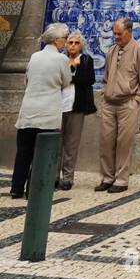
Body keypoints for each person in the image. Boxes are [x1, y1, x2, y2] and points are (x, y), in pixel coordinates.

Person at [10, 23, 71, 199]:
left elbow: (27, 80)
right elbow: (66, 81)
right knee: (41, 153)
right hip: (47, 114)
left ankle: (16, 188)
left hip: (28, 111)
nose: (65, 43)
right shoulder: (61, 59)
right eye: (65, 39)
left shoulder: (34, 56)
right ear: (58, 40)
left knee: (23, 151)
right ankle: (33, 190)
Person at [96, 16, 140, 193]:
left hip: (127, 104)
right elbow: (106, 77)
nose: (116, 37)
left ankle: (121, 180)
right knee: (106, 141)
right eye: (114, 33)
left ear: (129, 32)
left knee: (124, 143)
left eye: (119, 34)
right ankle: (107, 177)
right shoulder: (111, 51)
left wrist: (135, 102)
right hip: (109, 103)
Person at [57, 30, 96, 190]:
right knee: (56, 143)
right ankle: (53, 176)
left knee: (71, 145)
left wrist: (71, 75)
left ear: (81, 46)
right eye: (70, 42)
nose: (73, 45)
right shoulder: (60, 60)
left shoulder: (86, 60)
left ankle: (67, 178)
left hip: (77, 106)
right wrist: (70, 68)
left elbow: (89, 79)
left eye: (76, 43)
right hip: (58, 106)